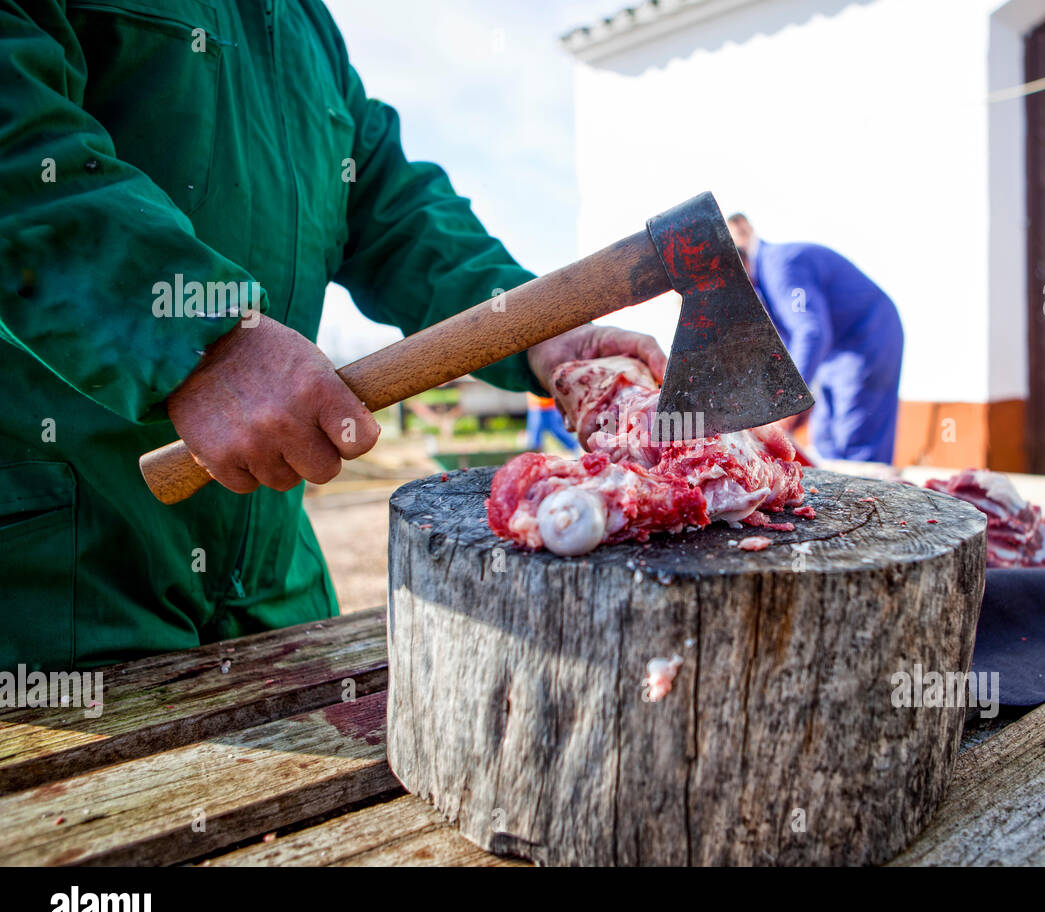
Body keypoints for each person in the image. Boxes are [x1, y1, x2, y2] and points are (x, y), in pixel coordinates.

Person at [0, 0, 662, 669]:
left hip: (273, 581)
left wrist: (541, 329)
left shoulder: (303, 23)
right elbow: (18, 153)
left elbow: (394, 209)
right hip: (64, 579)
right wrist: (203, 341)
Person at [726, 213, 902, 464]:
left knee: (853, 436)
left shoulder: (779, 267)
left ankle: (871, 485)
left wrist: (786, 402)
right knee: (824, 437)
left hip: (868, 338)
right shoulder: (762, 284)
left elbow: (810, 332)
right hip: (834, 353)